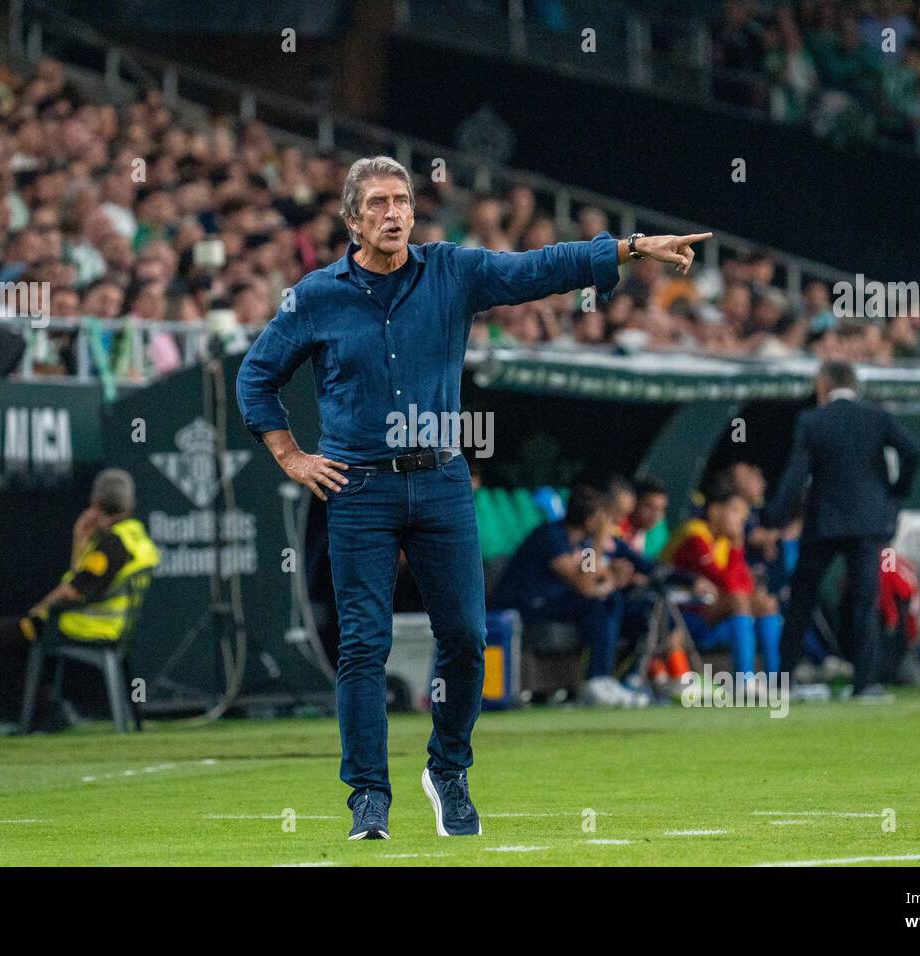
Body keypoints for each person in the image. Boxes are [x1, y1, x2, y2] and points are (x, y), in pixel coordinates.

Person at [236, 154, 711, 840]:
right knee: (361, 646)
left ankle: (448, 769)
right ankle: (369, 796)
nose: (394, 212)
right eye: (377, 203)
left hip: (440, 480)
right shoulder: (315, 296)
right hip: (359, 487)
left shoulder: (452, 271)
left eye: (401, 199)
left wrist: (631, 248)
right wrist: (289, 455)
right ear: (350, 219)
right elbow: (256, 379)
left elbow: (536, 268)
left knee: (465, 636)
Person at [762, 360, 920, 701]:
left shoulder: (812, 420)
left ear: (823, 385)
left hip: (824, 521)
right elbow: (912, 451)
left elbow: (795, 476)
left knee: (802, 599)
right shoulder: (878, 417)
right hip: (868, 522)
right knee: (865, 602)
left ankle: (783, 682)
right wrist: (894, 494)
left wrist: (773, 518)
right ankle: (864, 684)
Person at [0, 469, 159, 728]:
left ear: (95, 503)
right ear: (130, 504)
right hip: (114, 629)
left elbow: (74, 590)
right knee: (23, 640)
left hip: (79, 626)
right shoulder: (137, 537)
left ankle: (40, 712)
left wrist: (41, 609)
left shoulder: (111, 545)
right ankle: (50, 707)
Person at [490, 484, 646, 708]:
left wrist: (614, 578)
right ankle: (595, 680)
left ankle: (607, 679)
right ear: (590, 521)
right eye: (604, 518)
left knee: (616, 602)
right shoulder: (551, 536)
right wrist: (600, 543)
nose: (608, 524)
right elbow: (584, 585)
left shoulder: (579, 542)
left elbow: (593, 577)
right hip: (525, 606)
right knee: (596, 602)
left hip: (552, 602)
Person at [663, 482, 783, 678]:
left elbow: (746, 585)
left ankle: (776, 679)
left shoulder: (723, 539)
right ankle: (745, 679)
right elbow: (728, 585)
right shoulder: (694, 534)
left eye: (744, 516)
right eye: (735, 512)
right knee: (738, 600)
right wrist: (737, 545)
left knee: (766, 603)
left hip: (711, 612)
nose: (741, 520)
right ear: (715, 511)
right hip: (680, 615)